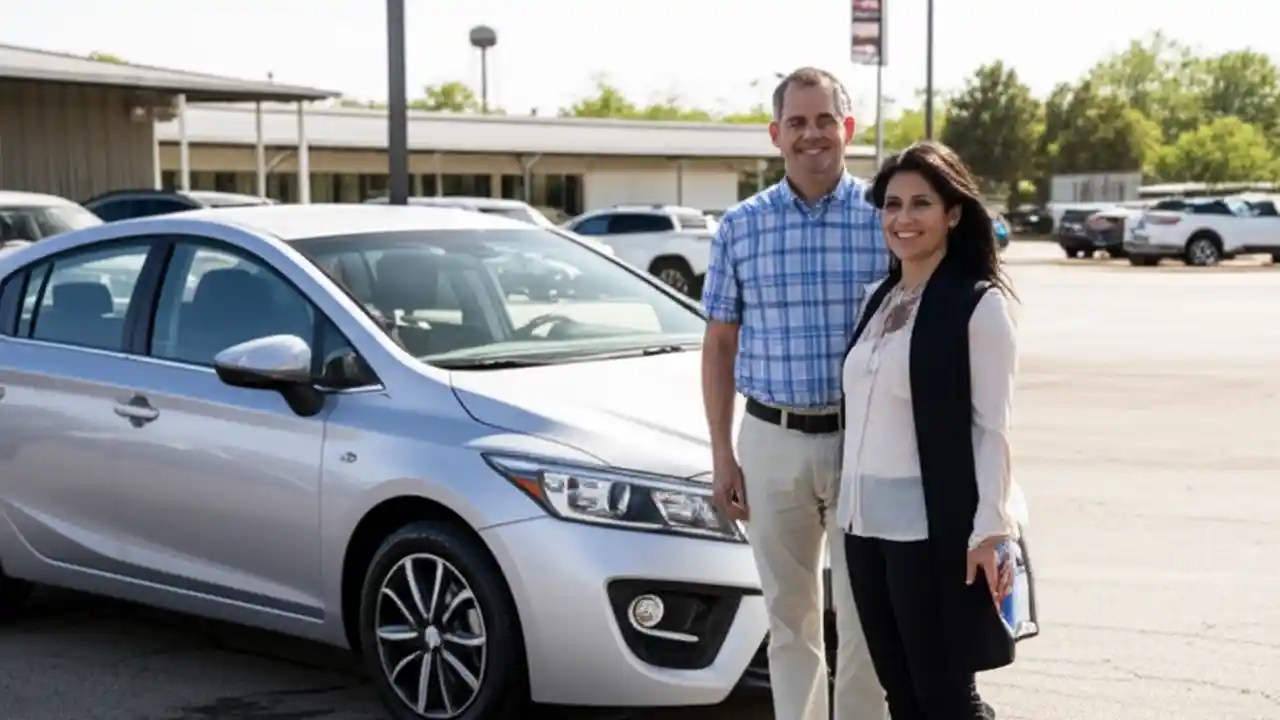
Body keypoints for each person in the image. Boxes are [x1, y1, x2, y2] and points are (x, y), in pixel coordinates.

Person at [701, 66, 891, 720]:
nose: (812, 135)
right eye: (798, 123)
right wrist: (723, 456)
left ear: (849, 128)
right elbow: (720, 344)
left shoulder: (886, 219)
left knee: (866, 614)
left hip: (864, 443)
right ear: (776, 134)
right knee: (789, 613)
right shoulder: (739, 228)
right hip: (770, 441)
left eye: (824, 120)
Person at [837, 140, 1025, 720]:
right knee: (901, 696)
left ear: (952, 214)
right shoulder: (877, 298)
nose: (903, 218)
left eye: (921, 203)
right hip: (861, 527)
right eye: (892, 205)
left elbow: (993, 429)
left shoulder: (978, 306)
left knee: (946, 699)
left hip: (930, 532)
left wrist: (990, 532)